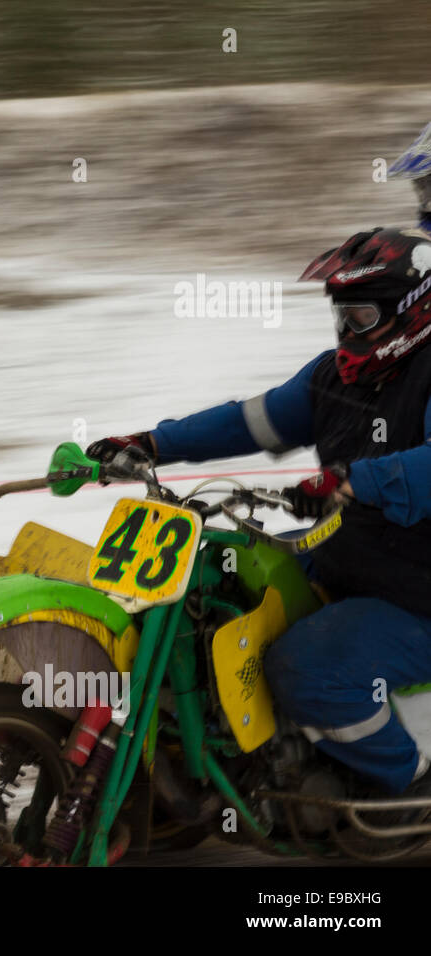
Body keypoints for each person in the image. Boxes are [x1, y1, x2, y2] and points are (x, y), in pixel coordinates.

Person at [85, 225, 431, 796]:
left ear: (413, 309)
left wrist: (350, 481)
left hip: (417, 596)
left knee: (308, 667)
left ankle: (410, 784)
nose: (347, 331)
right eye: (341, 315)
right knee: (216, 597)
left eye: (362, 316)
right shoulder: (331, 377)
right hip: (348, 562)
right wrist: (150, 444)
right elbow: (248, 421)